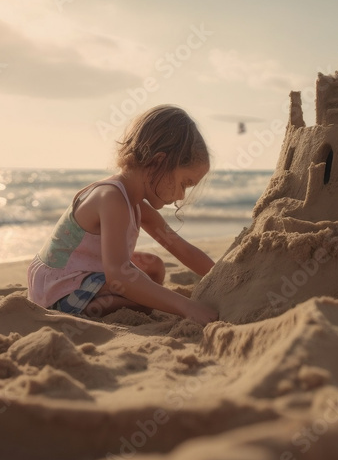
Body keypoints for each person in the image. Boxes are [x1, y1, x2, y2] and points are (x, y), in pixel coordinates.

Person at [27, 105, 218, 324]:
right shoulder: (112, 198)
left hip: (84, 270)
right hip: (58, 289)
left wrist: (222, 274)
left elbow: (181, 248)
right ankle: (87, 309)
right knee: (141, 298)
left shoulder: (135, 203)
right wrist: (186, 306)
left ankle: (120, 302)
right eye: (184, 184)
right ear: (159, 162)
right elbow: (118, 274)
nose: (182, 196)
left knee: (154, 266)